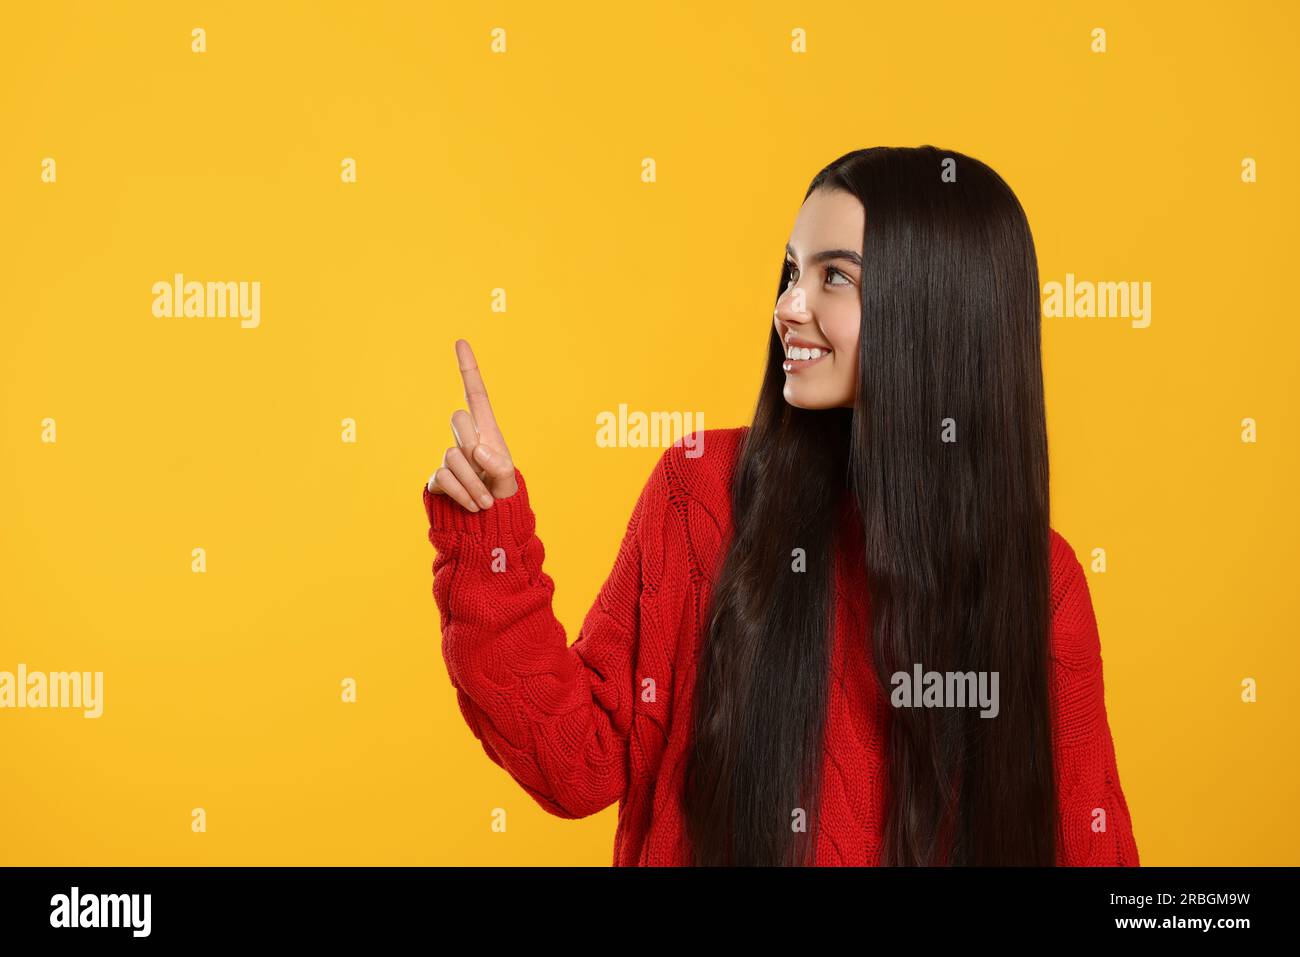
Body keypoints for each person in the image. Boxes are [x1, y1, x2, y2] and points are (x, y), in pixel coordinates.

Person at [422, 146, 1140, 866]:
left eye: (835, 277)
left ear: (937, 312)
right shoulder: (700, 494)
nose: (788, 307)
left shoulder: (1041, 583)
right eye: (793, 272)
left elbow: (1090, 847)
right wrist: (489, 539)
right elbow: (577, 761)